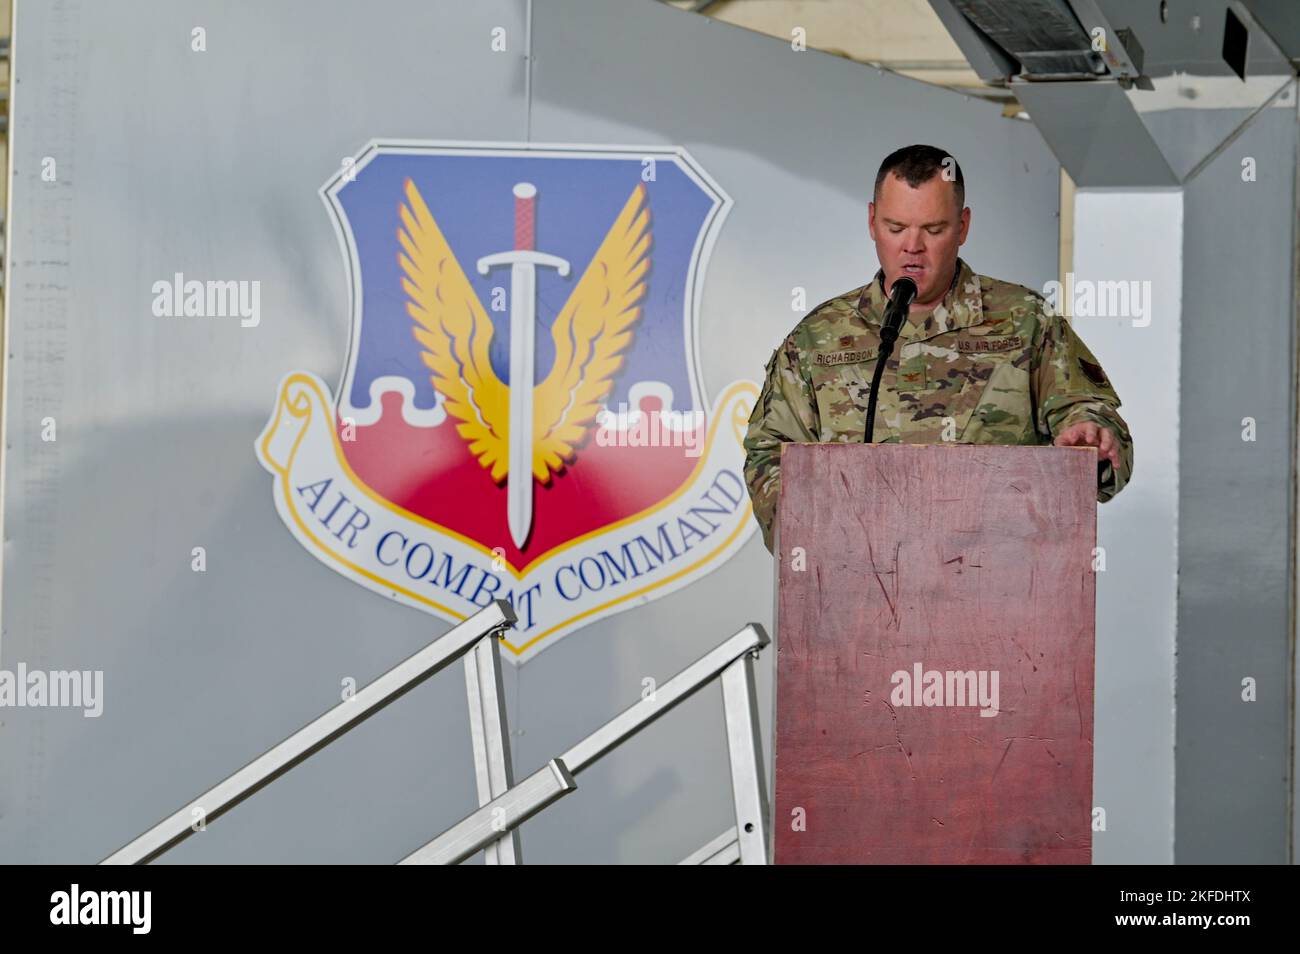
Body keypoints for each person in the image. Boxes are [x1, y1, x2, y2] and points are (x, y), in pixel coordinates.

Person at [743, 144, 1134, 554]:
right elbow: (769, 452)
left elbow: (1091, 418)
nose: (913, 246)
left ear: (963, 227)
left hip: (1003, 582)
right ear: (872, 221)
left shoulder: (1027, 321)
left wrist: (1092, 440)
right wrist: (811, 536)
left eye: (933, 230)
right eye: (896, 228)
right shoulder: (817, 337)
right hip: (855, 586)